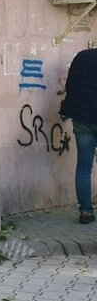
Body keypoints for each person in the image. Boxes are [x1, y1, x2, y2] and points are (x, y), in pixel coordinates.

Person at [59, 48, 97, 223]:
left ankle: (86, 211)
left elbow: (70, 86)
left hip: (82, 118)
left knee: (83, 166)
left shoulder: (81, 56)